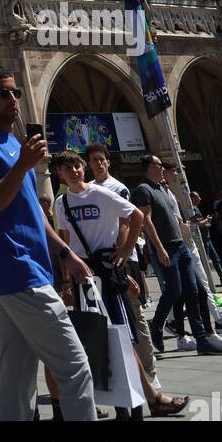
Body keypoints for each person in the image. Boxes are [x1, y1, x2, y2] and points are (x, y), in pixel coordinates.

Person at [0, 70, 97, 421]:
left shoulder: (15, 143)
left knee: (18, 379)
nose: (12, 100)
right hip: (19, 270)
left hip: (23, 273)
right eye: (3, 93)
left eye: (16, 93)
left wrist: (64, 253)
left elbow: (35, 215)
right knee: (75, 366)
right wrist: (23, 164)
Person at [53, 151, 188, 419]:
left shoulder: (101, 193)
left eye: (77, 166)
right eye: (67, 168)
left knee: (121, 338)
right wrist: (67, 282)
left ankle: (134, 407)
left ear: (84, 168)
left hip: (107, 274)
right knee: (97, 341)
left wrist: (126, 251)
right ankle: (121, 406)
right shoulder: (61, 202)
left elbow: (135, 215)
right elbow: (65, 241)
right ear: (60, 174)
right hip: (84, 279)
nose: (74, 171)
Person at [132, 156, 222, 357]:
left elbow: (171, 215)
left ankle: (201, 340)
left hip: (180, 247)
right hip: (166, 247)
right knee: (174, 290)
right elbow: (146, 221)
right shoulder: (143, 189)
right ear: (150, 167)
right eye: (159, 165)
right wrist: (158, 248)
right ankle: (157, 324)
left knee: (194, 291)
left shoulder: (161, 189)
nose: (162, 169)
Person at [84, 144, 158, 386]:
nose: (98, 163)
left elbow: (126, 221)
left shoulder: (119, 188)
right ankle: (123, 369)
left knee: (134, 313)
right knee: (111, 317)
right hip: (101, 264)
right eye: (93, 160)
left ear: (108, 162)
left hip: (119, 261)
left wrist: (123, 253)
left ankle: (149, 369)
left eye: (101, 159)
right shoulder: (90, 189)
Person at [191, 191, 222, 286]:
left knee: (215, 259)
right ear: (193, 198)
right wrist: (207, 219)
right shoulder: (193, 209)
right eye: (197, 197)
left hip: (206, 237)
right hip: (202, 239)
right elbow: (198, 224)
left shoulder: (196, 208)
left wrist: (207, 222)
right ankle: (206, 282)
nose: (200, 199)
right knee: (205, 261)